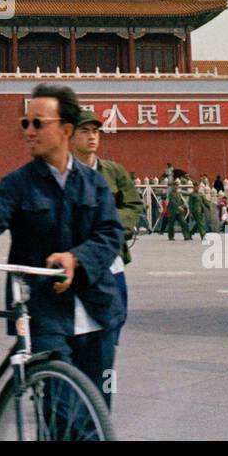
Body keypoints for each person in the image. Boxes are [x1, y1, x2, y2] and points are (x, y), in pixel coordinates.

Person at [0, 84, 123, 406]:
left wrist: (77, 259)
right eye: (24, 123)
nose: (28, 131)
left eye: (37, 123)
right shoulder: (18, 184)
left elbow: (111, 234)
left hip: (96, 308)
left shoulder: (94, 182)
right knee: (58, 409)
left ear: (65, 130)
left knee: (96, 412)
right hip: (42, 312)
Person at [70, 110, 144, 343]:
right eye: (84, 131)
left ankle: (103, 368)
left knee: (116, 316)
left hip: (111, 259)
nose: (92, 136)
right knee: (79, 325)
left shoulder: (113, 171)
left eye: (95, 131)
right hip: (76, 260)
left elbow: (133, 205)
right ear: (70, 136)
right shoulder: (64, 173)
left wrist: (109, 227)